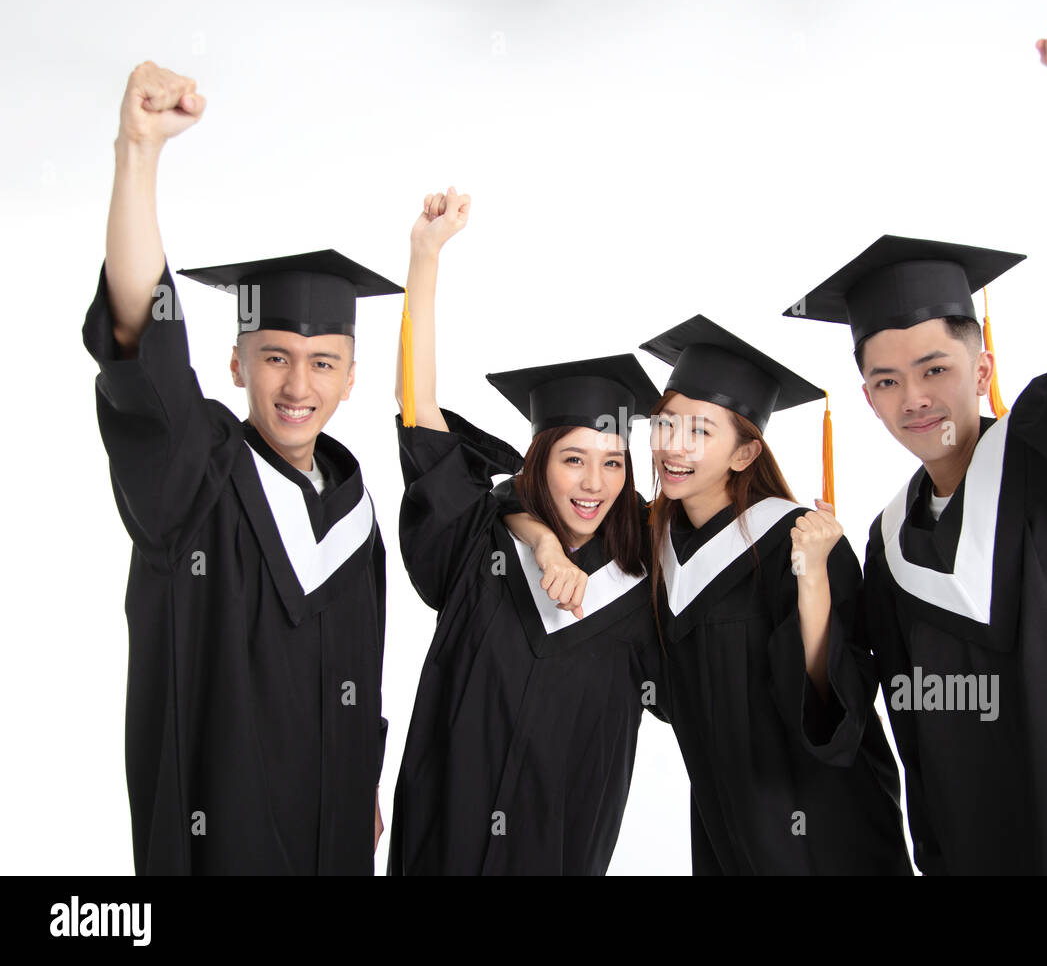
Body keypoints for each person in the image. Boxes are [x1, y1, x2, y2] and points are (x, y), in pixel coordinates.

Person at [785, 9, 1047, 874]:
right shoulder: (888, 547)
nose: (915, 399)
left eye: (936, 367)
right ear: (865, 397)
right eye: (887, 381)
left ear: (982, 364)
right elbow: (864, 719)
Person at [84, 62, 391, 874]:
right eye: (276, 358)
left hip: (335, 825)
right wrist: (138, 155)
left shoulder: (356, 510)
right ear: (234, 365)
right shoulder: (201, 477)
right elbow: (143, 344)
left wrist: (363, 777)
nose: (299, 386)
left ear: (352, 377)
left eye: (325, 363)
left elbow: (365, 667)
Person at [387, 187, 668, 874]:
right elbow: (419, 412)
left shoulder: (645, 588)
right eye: (574, 460)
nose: (595, 485)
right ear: (539, 464)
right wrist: (424, 260)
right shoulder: (476, 545)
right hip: (441, 844)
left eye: (612, 464)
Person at [633, 315, 911, 874]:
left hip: (826, 815)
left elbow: (835, 708)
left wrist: (812, 581)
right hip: (725, 814)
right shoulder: (651, 546)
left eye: (701, 431)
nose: (673, 447)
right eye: (665, 426)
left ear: (745, 455)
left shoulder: (802, 539)